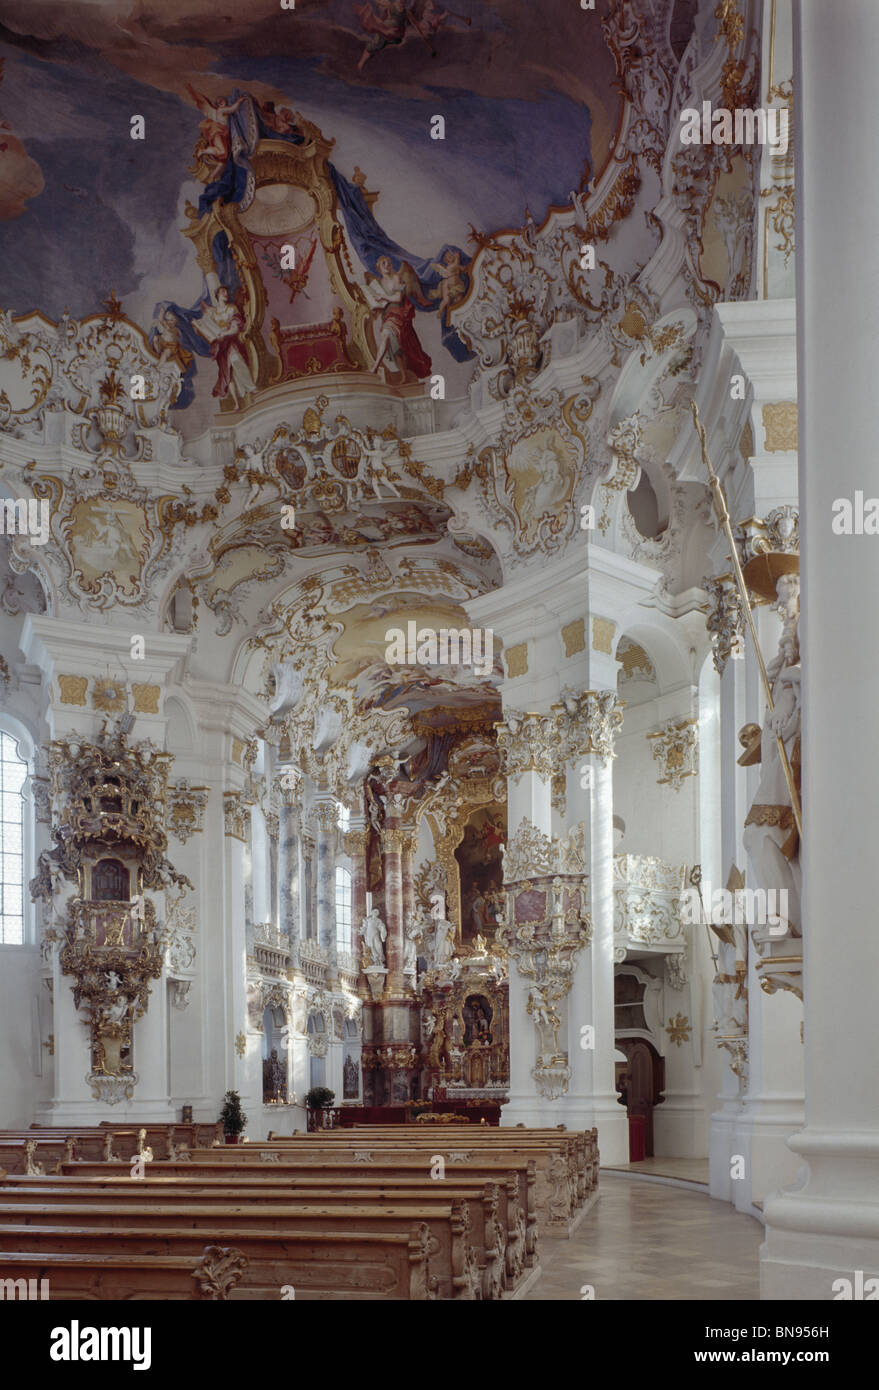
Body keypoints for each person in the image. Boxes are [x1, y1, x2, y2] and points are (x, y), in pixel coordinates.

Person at [366, 256, 432, 381]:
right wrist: (375, 307)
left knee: (386, 335)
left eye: (389, 263)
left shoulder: (396, 278)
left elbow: (397, 298)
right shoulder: (379, 284)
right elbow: (382, 304)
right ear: (379, 267)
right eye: (383, 263)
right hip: (387, 314)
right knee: (394, 345)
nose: (387, 265)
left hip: (398, 313)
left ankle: (375, 368)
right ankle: (403, 375)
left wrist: (383, 297)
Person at [193, 284, 256, 408]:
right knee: (228, 374)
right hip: (220, 346)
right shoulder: (213, 313)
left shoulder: (231, 308)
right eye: (222, 292)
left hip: (230, 342)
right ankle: (237, 403)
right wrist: (198, 326)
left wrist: (224, 333)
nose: (225, 294)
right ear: (217, 295)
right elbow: (205, 326)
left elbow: (236, 328)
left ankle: (250, 387)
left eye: (226, 292)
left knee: (236, 360)